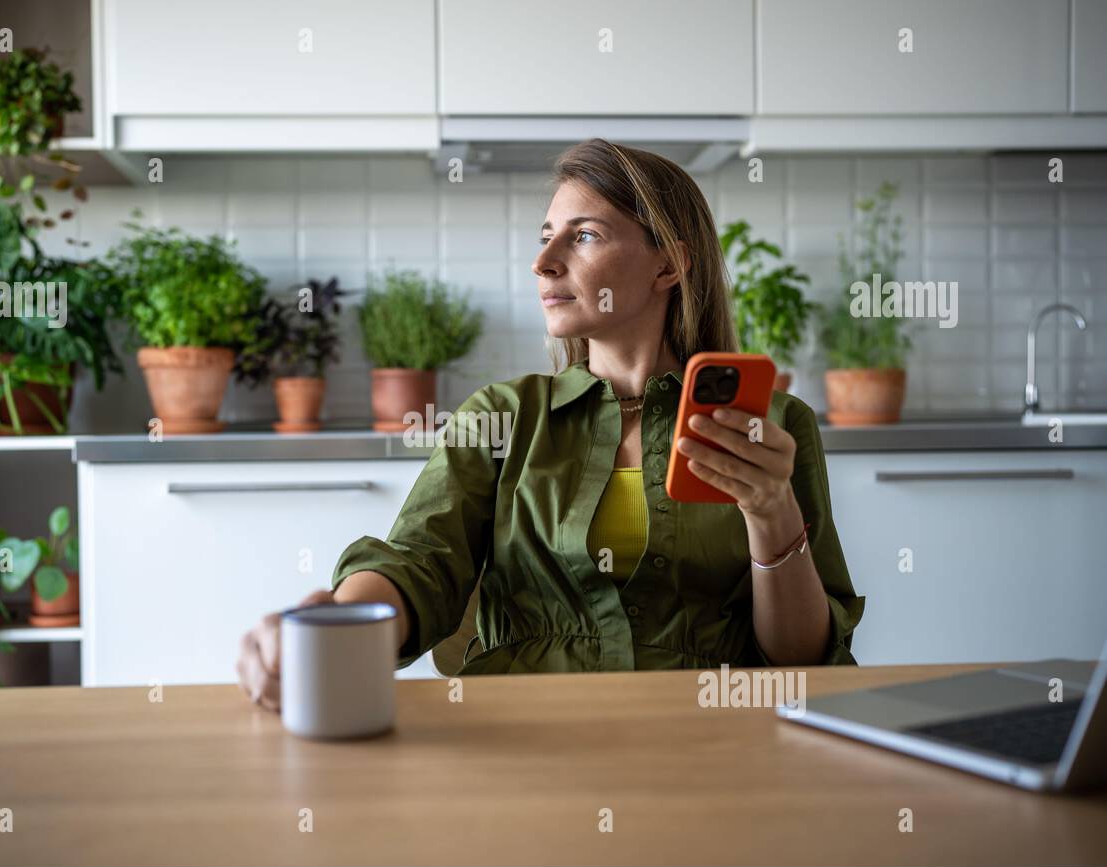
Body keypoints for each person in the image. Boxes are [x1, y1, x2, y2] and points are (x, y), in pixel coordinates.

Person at [238, 138, 864, 710]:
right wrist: (338, 622)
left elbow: (803, 661)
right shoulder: (503, 418)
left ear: (668, 265)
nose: (543, 261)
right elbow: (420, 562)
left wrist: (770, 511)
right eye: (545, 235)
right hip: (518, 734)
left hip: (715, 738)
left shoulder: (774, 425)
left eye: (584, 236)